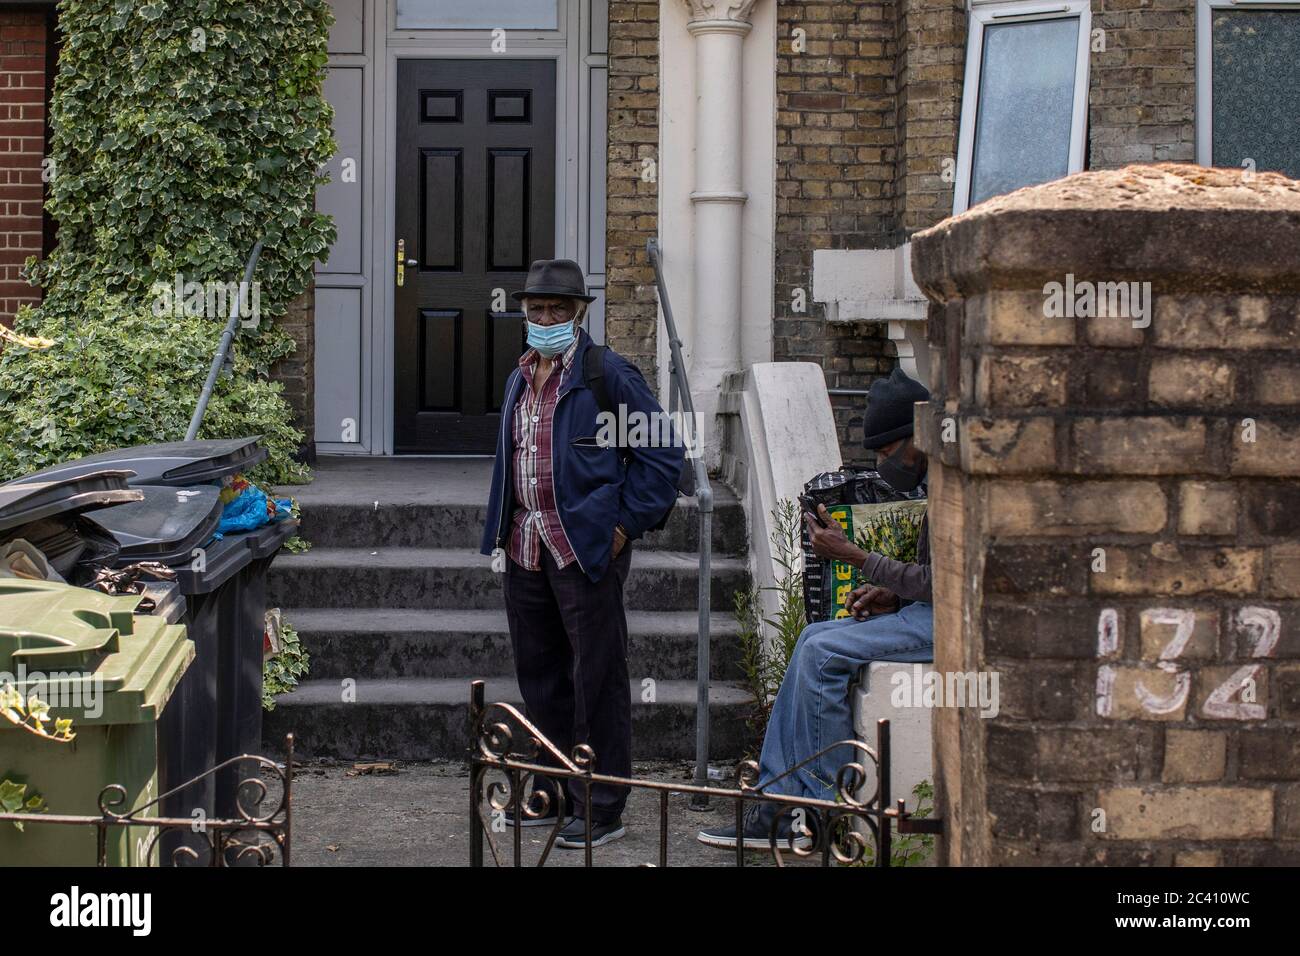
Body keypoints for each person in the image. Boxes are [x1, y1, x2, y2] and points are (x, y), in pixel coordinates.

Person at [480, 258, 685, 849]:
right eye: (537, 309)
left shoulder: (606, 373)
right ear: (523, 313)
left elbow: (663, 457)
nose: (546, 319)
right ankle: (550, 791)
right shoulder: (520, 376)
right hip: (524, 549)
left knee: (596, 678)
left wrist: (622, 527)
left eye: (559, 310)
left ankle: (602, 806)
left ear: (579, 313)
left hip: (584, 551)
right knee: (541, 679)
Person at [698, 367, 933, 850]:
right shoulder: (938, 477)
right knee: (812, 638)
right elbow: (931, 579)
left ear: (918, 435)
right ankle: (777, 807)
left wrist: (854, 556)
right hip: (928, 609)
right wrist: (894, 593)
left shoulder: (955, 483)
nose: (886, 463)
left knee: (822, 656)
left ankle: (827, 808)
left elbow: (948, 583)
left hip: (953, 623)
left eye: (890, 452)